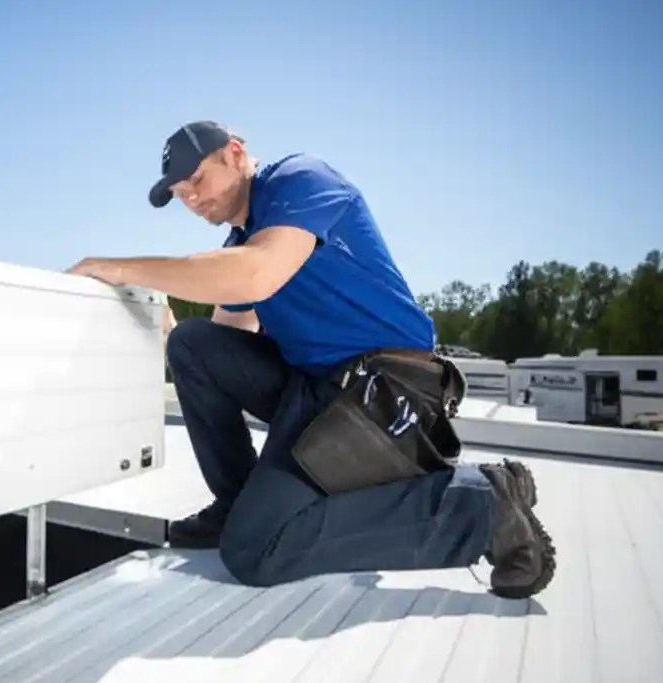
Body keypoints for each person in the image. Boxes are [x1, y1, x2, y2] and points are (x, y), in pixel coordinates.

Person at [66, 121, 555, 599]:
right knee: (193, 345)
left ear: (235, 153)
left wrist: (126, 267)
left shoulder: (301, 180)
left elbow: (256, 275)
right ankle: (235, 504)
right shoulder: (241, 244)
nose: (191, 197)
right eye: (179, 192)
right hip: (316, 391)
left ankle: (484, 505)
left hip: (386, 391)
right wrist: (162, 329)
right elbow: (220, 346)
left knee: (256, 551)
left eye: (197, 179)